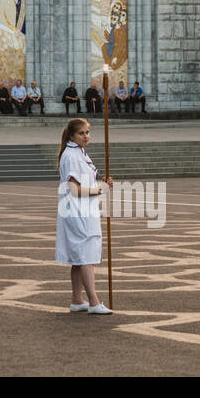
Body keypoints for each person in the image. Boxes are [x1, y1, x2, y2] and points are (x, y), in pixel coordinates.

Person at [55, 118, 113, 314]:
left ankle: (77, 300)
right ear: (72, 135)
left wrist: (101, 183)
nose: (86, 136)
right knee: (86, 254)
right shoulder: (72, 155)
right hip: (78, 211)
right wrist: (99, 190)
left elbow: (85, 180)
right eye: (81, 133)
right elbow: (75, 189)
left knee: (79, 256)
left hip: (82, 209)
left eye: (87, 132)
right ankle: (94, 302)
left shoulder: (77, 152)